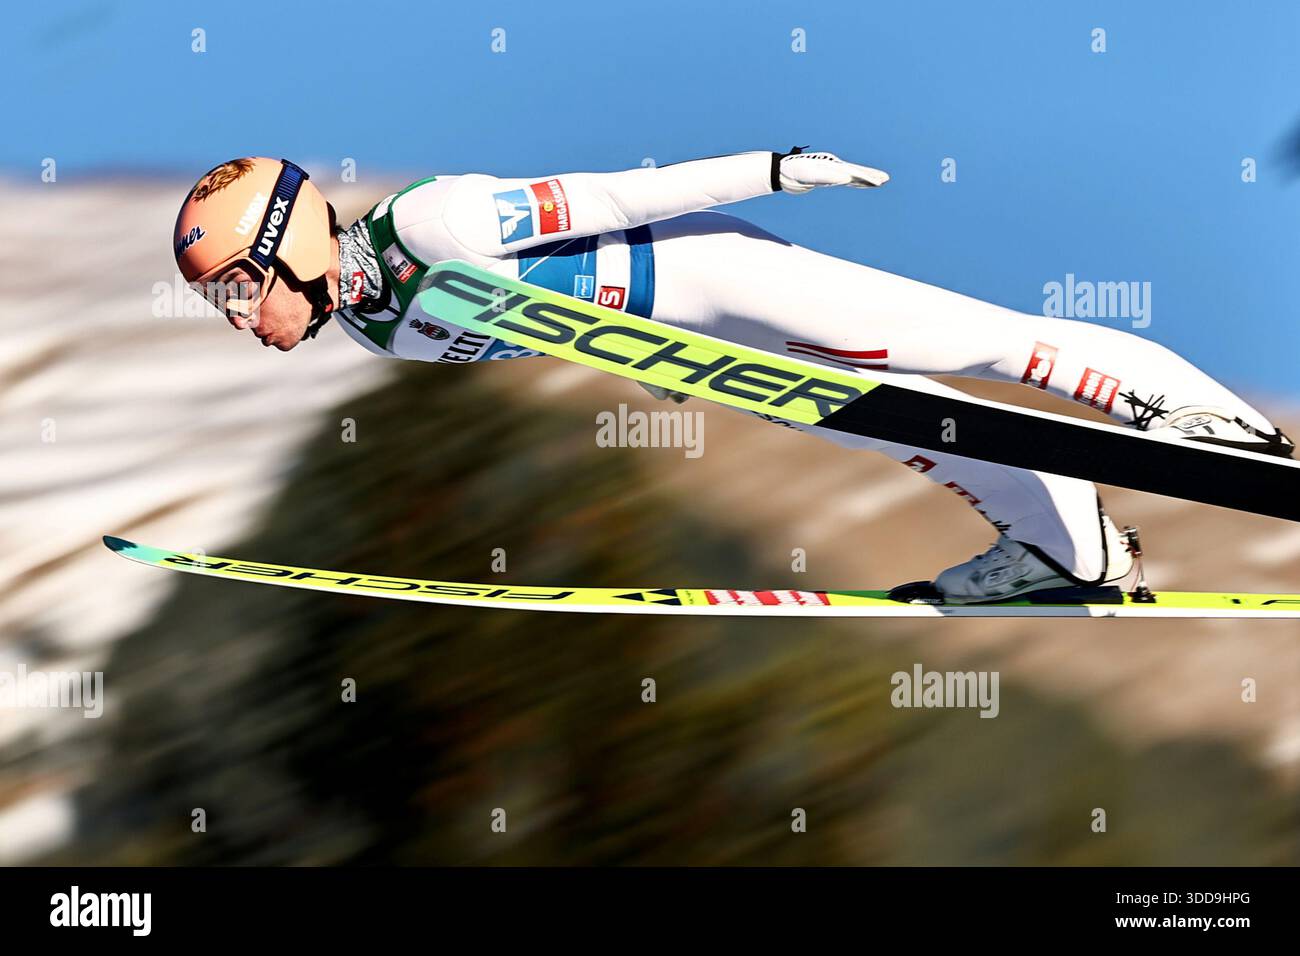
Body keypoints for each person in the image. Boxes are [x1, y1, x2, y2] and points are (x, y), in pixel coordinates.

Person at [172, 152, 1294, 603]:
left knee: (968, 341)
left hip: (718, 274)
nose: (244, 318)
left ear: (291, 240)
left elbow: (608, 197)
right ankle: (1071, 554)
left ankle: (1202, 419)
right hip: (701, 350)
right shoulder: (379, 330)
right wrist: (652, 370)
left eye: (239, 287)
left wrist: (768, 167)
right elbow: (547, 326)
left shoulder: (433, 223)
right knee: (913, 431)